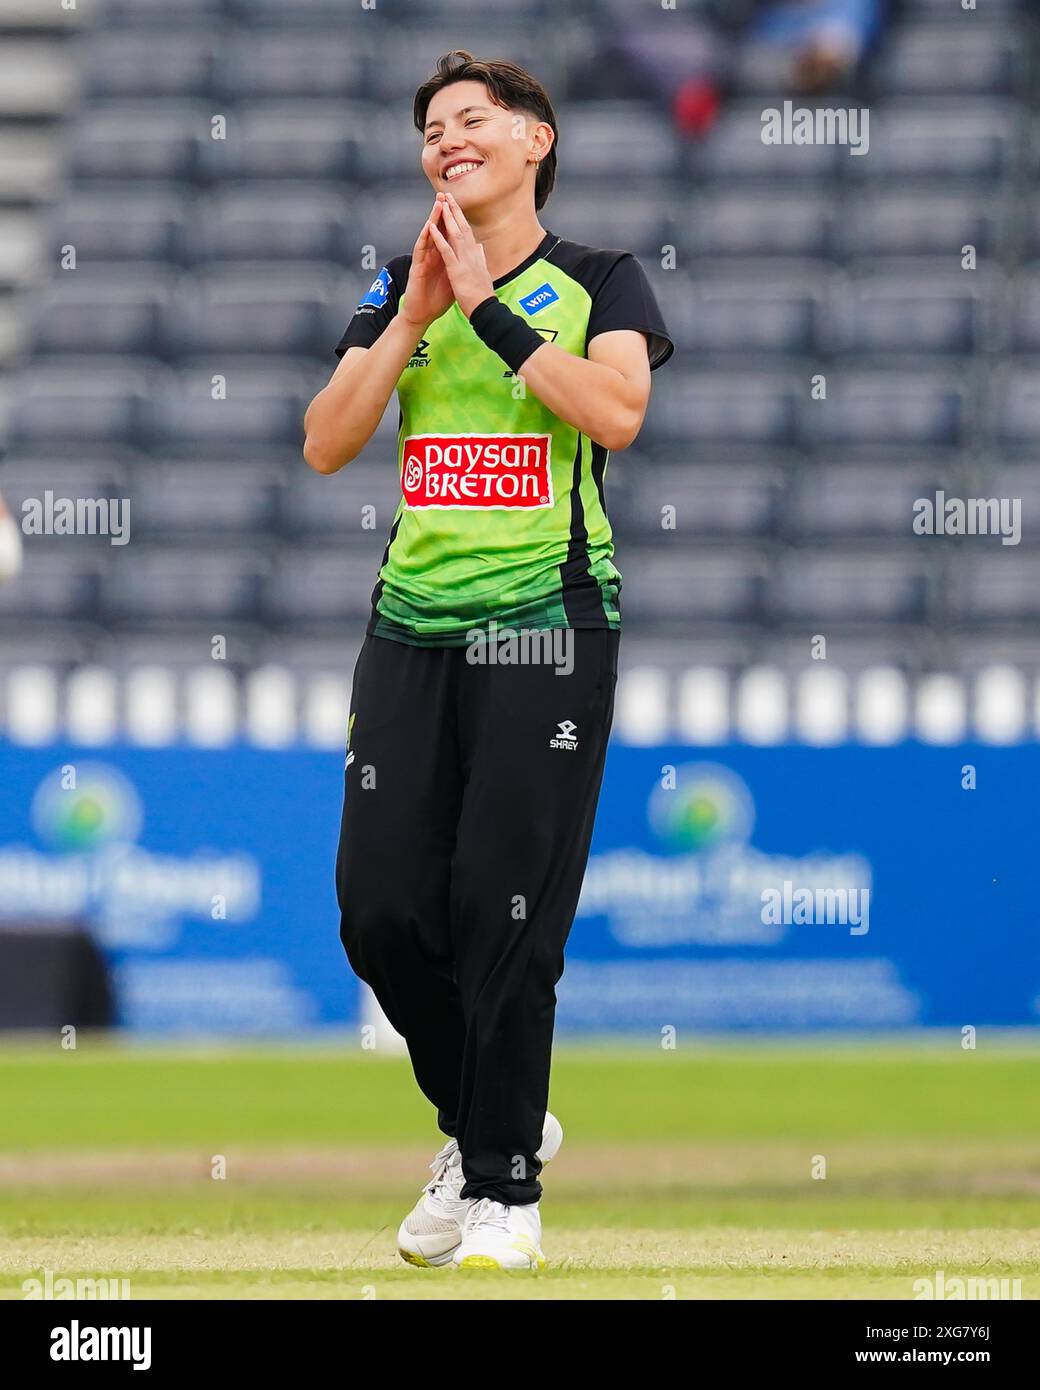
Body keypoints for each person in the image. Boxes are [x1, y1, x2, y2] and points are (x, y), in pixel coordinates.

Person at [302, 49, 673, 1270]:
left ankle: (504, 1190)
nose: (445, 141)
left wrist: (486, 313)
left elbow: (614, 414)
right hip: (411, 622)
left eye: (471, 121)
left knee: (501, 902)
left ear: (535, 141)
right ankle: (484, 1121)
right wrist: (412, 313)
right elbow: (325, 441)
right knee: (380, 910)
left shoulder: (599, 279)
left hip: (546, 619)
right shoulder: (396, 283)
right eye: (430, 130)